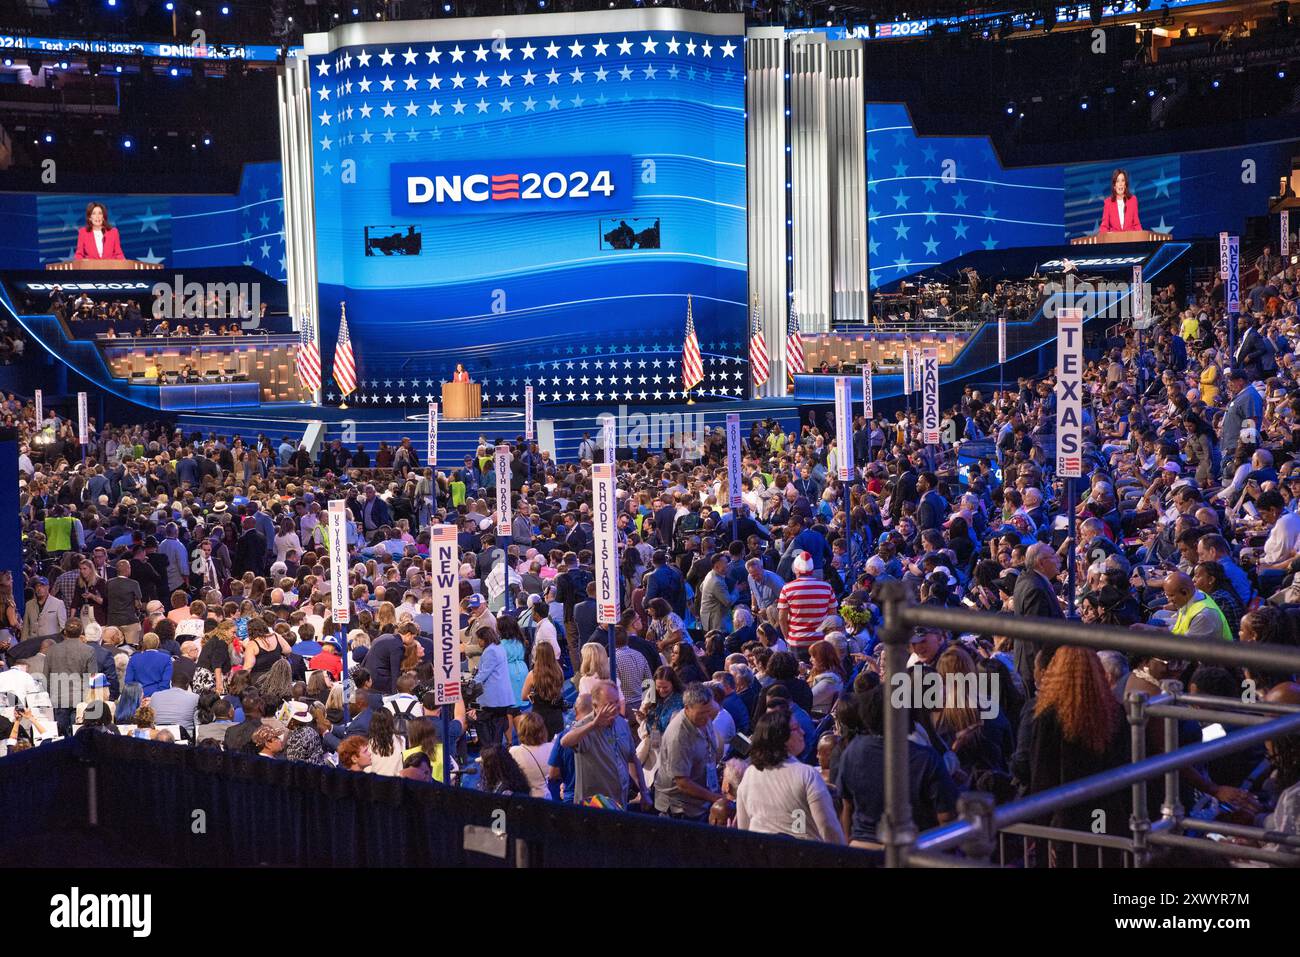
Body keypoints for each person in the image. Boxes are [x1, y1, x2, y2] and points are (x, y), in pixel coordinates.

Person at [735, 707, 845, 843]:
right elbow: (828, 828)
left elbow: (744, 830)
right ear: (781, 736)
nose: (803, 732)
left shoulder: (749, 774)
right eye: (796, 728)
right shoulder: (807, 775)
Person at [560, 680, 648, 809]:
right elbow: (565, 742)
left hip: (620, 804)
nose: (615, 707)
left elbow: (632, 759)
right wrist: (593, 725)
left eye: (617, 702)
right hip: (594, 810)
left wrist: (644, 791)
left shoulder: (622, 723)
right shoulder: (585, 726)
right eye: (609, 704)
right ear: (595, 706)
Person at [1098, 169, 1141, 234]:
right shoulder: (1108, 202)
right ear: (1114, 186)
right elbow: (1104, 226)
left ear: (1125, 185)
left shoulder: (1133, 200)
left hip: (1130, 239)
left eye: (1123, 181)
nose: (1120, 184)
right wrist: (1107, 236)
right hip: (1114, 241)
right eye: (1117, 181)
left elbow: (1136, 224)